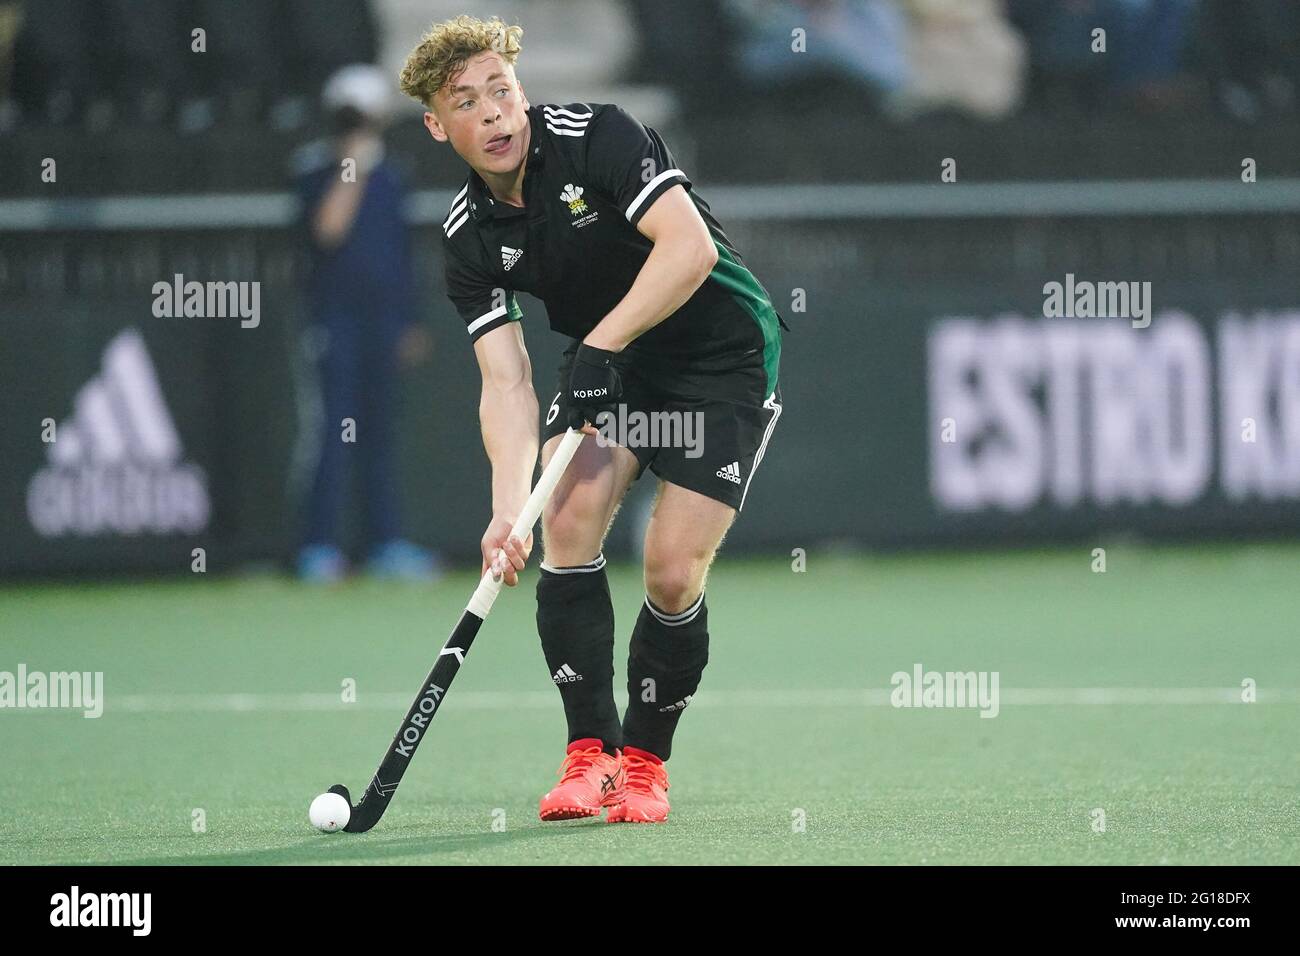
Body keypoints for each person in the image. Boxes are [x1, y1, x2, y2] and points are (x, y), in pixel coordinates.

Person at [399, 15, 785, 823]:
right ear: (439, 126)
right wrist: (508, 507)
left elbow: (690, 250)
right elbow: (504, 383)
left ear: (522, 90)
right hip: (620, 362)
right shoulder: (469, 237)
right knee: (562, 520)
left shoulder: (598, 137)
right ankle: (591, 754)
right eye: (467, 103)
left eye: (501, 90)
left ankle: (646, 765)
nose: (495, 114)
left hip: (721, 358)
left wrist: (600, 346)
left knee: (673, 568)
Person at [294, 64, 438, 583]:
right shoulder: (313, 170)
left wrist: (409, 321)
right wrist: (352, 166)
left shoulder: (393, 176)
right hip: (335, 322)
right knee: (332, 434)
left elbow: (402, 256)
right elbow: (328, 230)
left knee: (379, 435)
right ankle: (319, 547)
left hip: (382, 323)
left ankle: (386, 543)